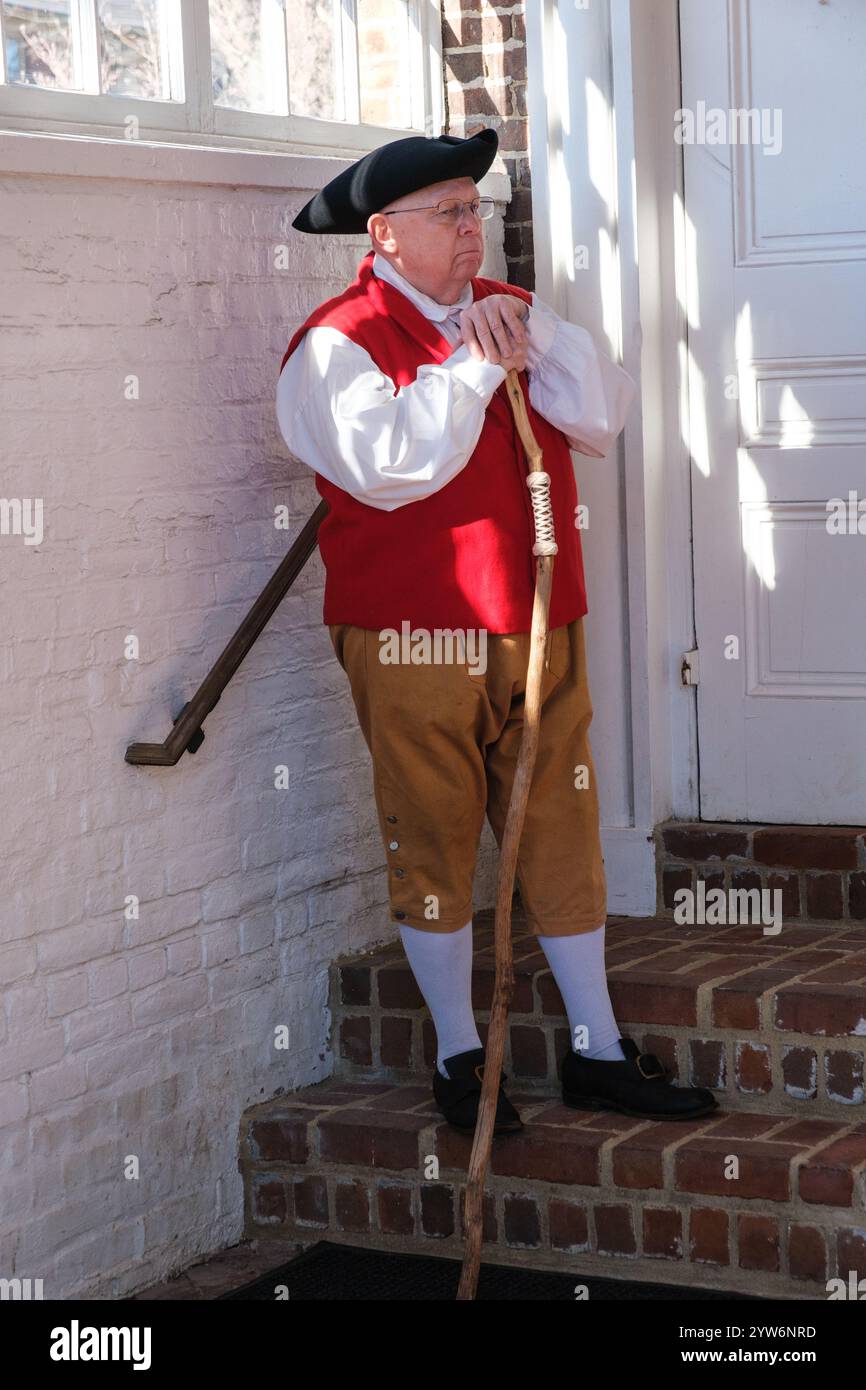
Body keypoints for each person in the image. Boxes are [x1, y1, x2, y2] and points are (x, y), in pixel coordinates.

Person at [277, 128, 717, 1132]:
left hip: (537, 620)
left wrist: (539, 340)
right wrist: (474, 371)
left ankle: (597, 1049)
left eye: (473, 210)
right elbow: (393, 464)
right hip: (411, 634)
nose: (471, 229)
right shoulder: (335, 342)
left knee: (561, 828)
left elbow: (601, 417)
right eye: (447, 214)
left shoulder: (509, 311)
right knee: (429, 831)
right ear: (383, 234)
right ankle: (459, 1056)